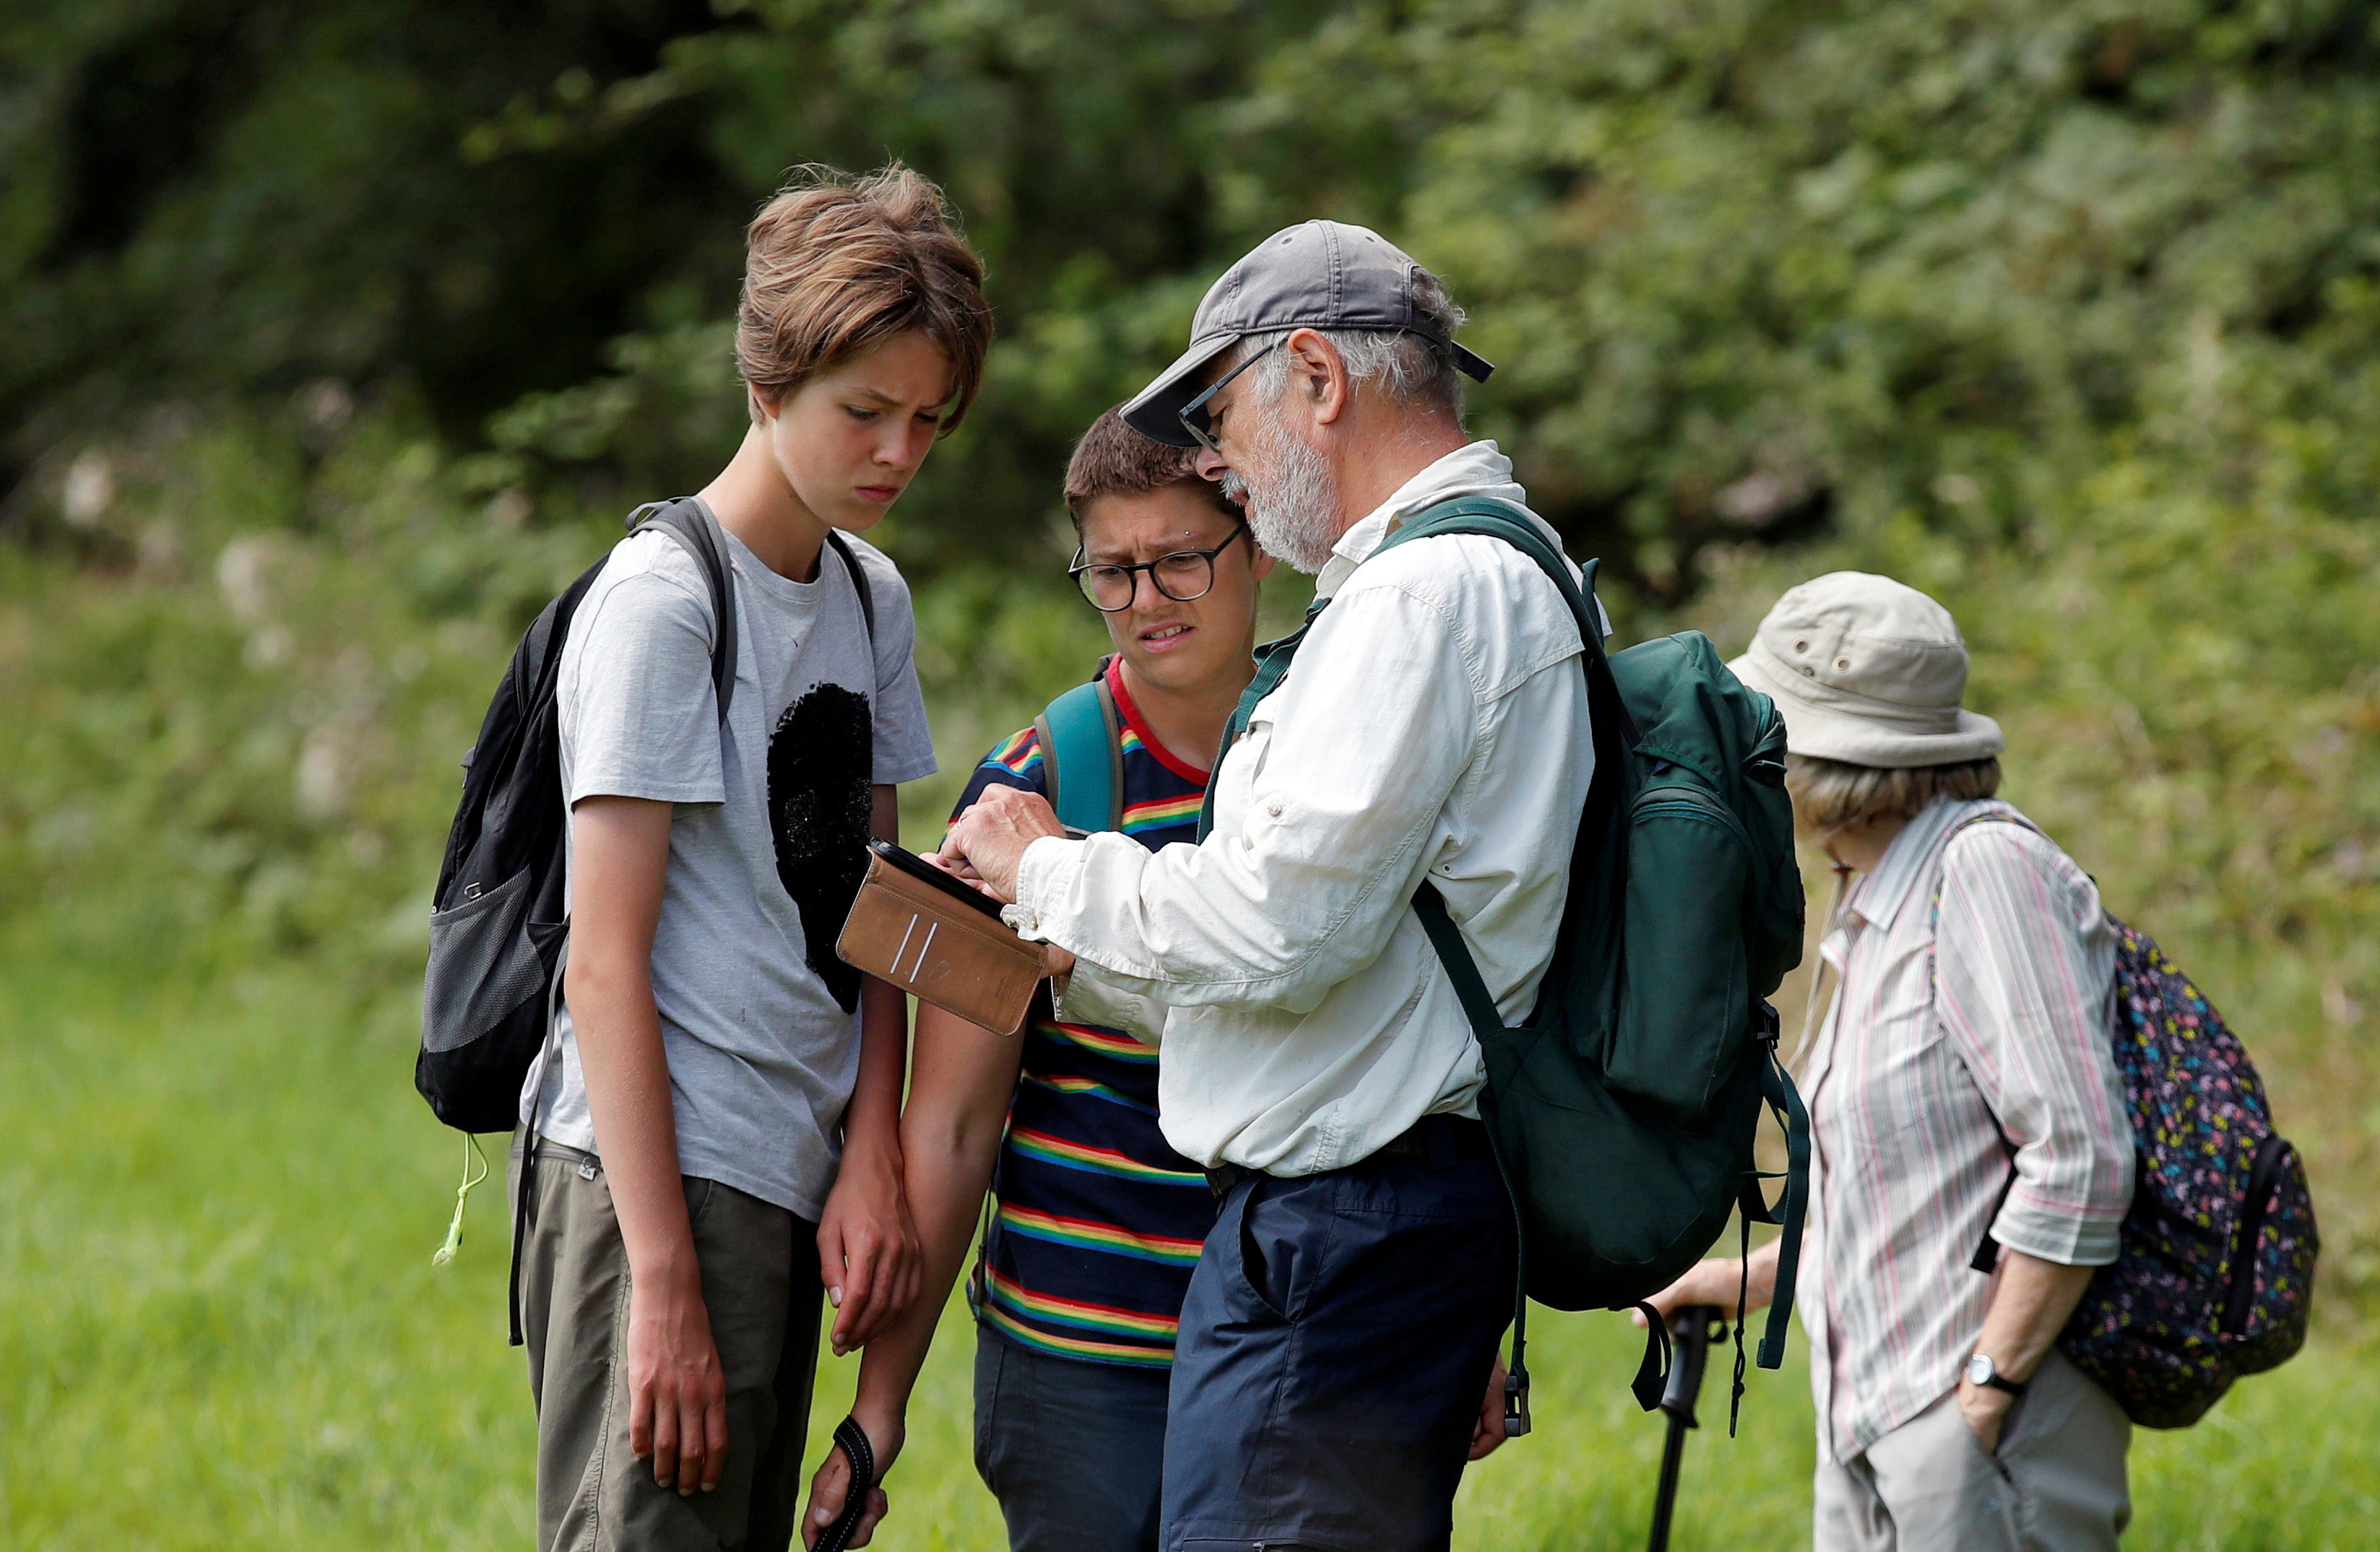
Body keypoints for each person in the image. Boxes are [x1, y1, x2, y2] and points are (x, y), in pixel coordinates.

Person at [939, 220, 1583, 1552]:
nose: (1221, 456)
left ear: (1318, 377)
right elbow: (1349, 980)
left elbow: (1280, 930)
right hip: (1361, 1231)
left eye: (1224, 411)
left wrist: (1043, 866)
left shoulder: (1420, 600)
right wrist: (1074, 954)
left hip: (1336, 1244)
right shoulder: (1494, 573)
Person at [509, 163, 991, 1552]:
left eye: (928, 421)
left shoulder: (866, 591)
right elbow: (603, 967)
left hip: (792, 1166)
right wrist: (659, 1283)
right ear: (769, 381)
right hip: (658, 1178)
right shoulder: (664, 602)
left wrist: (877, 1149)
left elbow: (877, 908)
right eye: (866, 412)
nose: (899, 451)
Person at [797, 409, 1274, 1551]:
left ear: (1258, 543)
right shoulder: (1033, 785)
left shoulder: (1331, 762)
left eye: (1179, 560)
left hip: (1290, 1349)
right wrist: (880, 1407)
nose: (1149, 599)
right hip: (1080, 1364)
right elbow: (954, 1125)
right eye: (1112, 571)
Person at [1646, 573, 2137, 1551]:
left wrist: (1984, 1392)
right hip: (1877, 1409)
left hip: (1974, 1422)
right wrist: (1752, 1277)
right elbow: (1925, 1191)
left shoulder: (1986, 872)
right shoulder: (1879, 897)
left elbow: (2081, 1156)